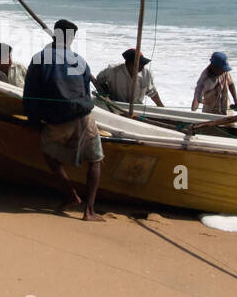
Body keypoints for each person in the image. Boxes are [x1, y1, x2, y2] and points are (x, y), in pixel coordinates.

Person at [23, 19, 103, 221]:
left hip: (58, 118)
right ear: (72, 38)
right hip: (84, 115)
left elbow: (31, 95)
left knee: (49, 154)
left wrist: (34, 122)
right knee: (95, 160)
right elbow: (86, 92)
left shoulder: (39, 59)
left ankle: (70, 193)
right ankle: (89, 211)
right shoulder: (80, 60)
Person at [93, 48, 164, 107]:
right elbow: (99, 80)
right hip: (115, 106)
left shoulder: (146, 73)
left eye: (143, 63)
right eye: (140, 64)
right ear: (128, 63)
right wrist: (106, 94)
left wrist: (162, 108)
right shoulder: (112, 71)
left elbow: (152, 93)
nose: (142, 66)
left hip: (137, 108)